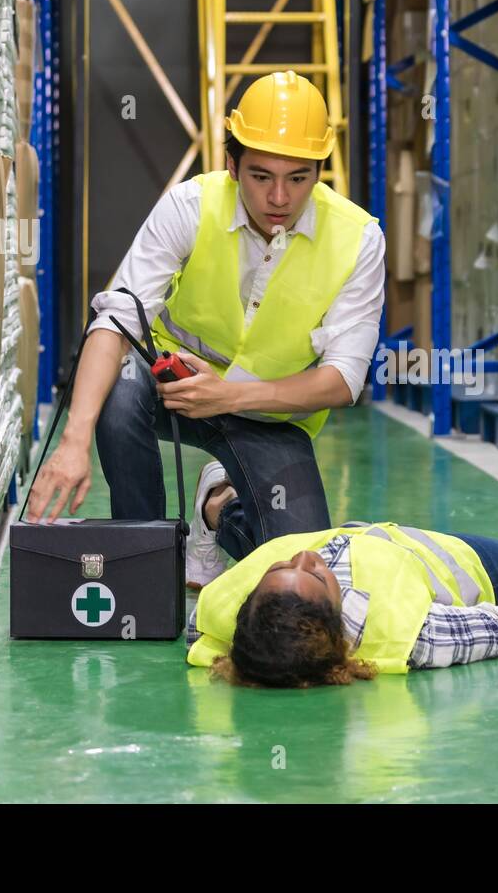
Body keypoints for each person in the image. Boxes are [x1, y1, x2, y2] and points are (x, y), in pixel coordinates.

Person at [24, 72, 386, 590]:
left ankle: (218, 509)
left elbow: (342, 381)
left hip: (270, 414)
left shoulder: (359, 240)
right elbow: (117, 318)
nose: (280, 197)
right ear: (232, 164)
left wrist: (230, 395)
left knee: (296, 560)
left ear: (319, 171)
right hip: (171, 389)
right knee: (121, 390)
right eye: (261, 176)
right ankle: (144, 559)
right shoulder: (190, 207)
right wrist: (73, 442)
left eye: (299, 178)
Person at [187, 522, 498, 688]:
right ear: (339, 626)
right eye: (315, 576)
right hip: (459, 563)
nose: (305, 556)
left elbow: (199, 629)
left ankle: (219, 505)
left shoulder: (229, 613)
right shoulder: (413, 636)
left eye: (282, 567)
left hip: (376, 534)